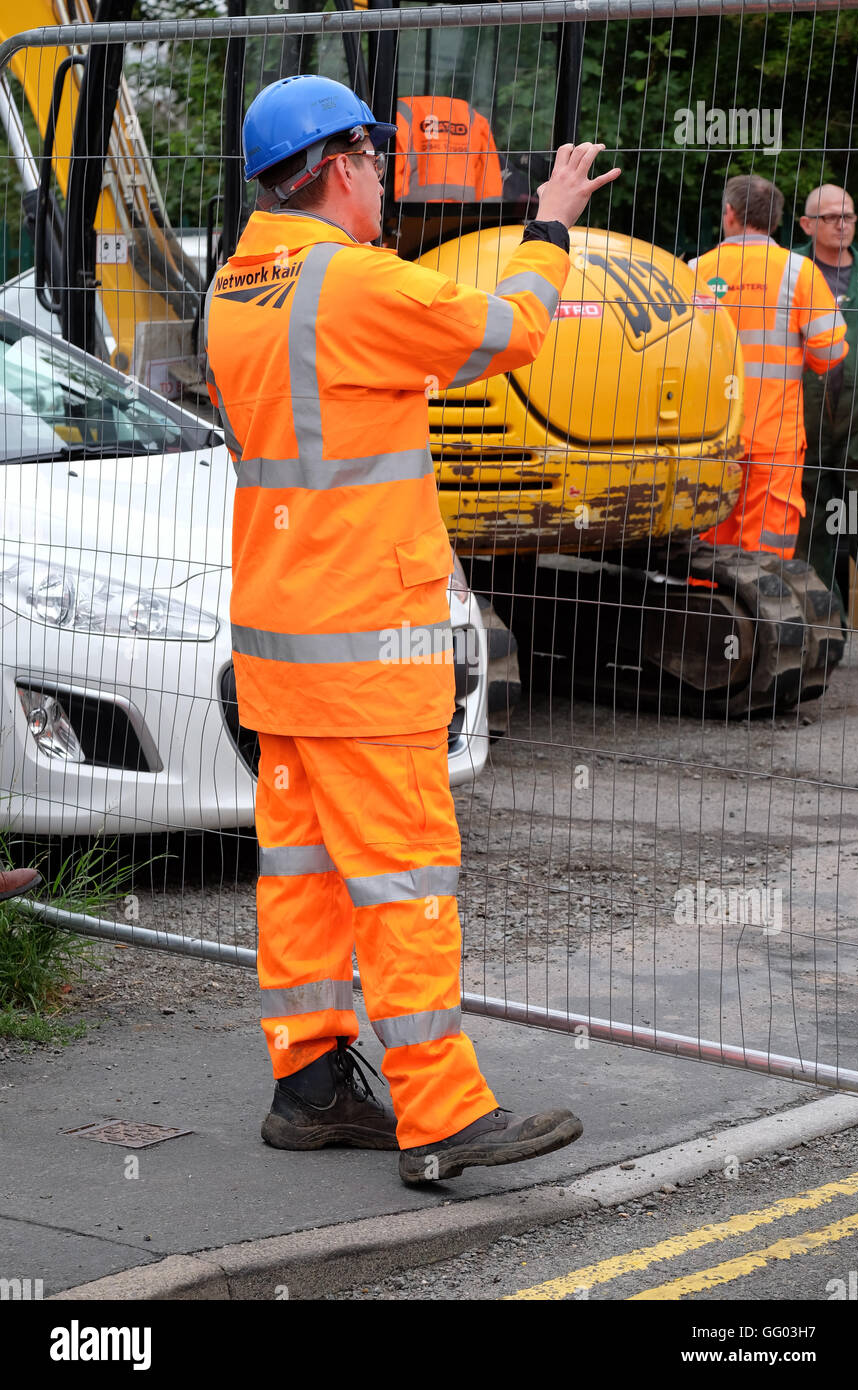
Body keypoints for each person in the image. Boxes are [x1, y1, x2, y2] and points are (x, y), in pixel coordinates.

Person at [204, 74, 619, 1185]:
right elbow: (512, 330)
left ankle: (310, 1086)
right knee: (402, 876)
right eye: (378, 161)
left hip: (279, 639)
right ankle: (438, 1115)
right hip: (362, 643)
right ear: (339, 166)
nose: (387, 180)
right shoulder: (353, 282)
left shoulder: (239, 280)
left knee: (300, 870)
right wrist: (547, 228)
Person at [691, 174, 848, 559]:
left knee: (706, 546)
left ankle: (705, 616)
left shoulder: (692, 271)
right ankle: (760, 620)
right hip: (774, 437)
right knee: (767, 552)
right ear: (777, 220)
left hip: (708, 438)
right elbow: (829, 354)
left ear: (729, 214)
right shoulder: (799, 271)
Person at [794, 184, 858, 617]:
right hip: (803, 430)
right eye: (831, 217)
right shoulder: (790, 271)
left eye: (850, 216)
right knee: (811, 537)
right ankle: (822, 634)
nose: (842, 224)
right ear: (806, 224)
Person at [394, 95, 502, 201]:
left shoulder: (401, 113)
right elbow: (489, 180)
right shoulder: (471, 115)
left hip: (410, 214)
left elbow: (395, 167)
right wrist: (486, 214)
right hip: (464, 214)